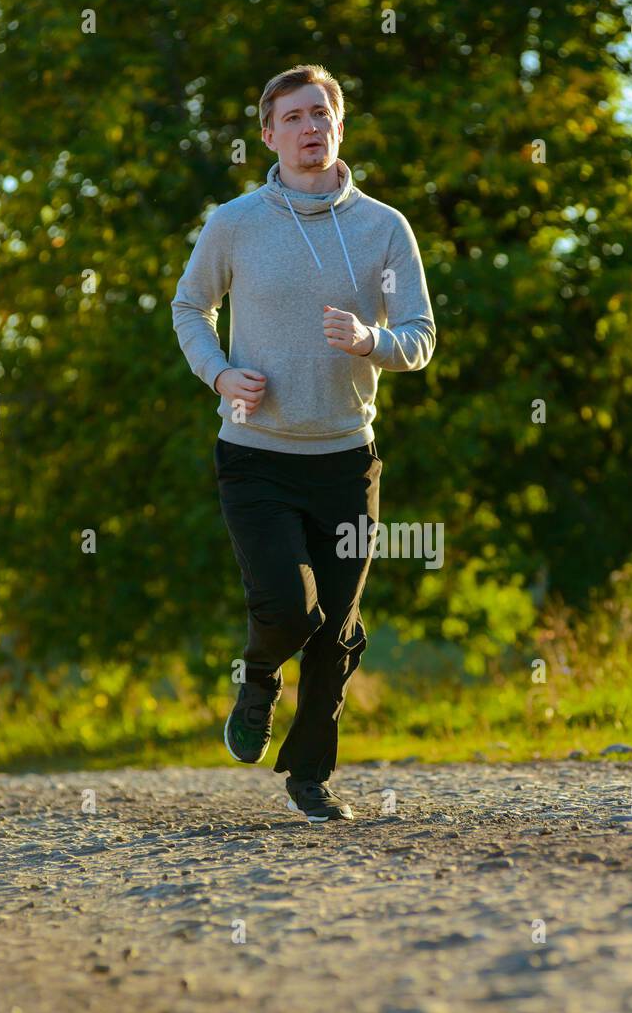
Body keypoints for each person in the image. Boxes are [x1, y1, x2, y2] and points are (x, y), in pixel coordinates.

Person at [171, 64, 436, 820]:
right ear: (267, 134)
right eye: (291, 117)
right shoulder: (234, 222)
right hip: (255, 455)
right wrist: (219, 374)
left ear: (339, 126)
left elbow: (419, 336)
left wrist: (371, 340)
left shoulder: (384, 227)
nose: (308, 127)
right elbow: (190, 305)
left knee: (339, 631)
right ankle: (258, 679)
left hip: (347, 460)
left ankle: (310, 777)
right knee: (290, 610)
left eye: (320, 113)